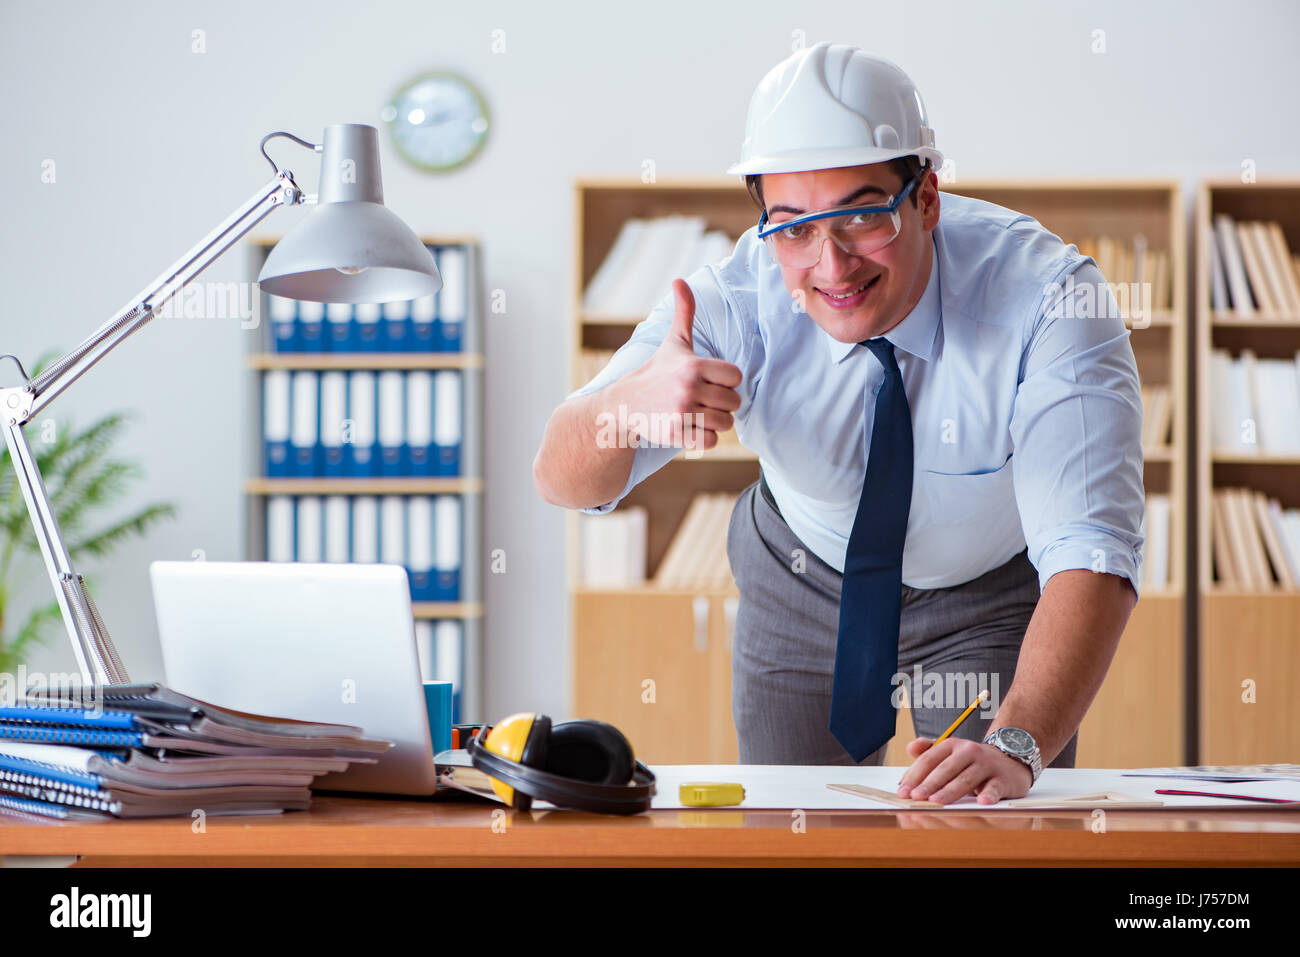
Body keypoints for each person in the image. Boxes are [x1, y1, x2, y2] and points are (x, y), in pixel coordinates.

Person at [533, 42, 1144, 805]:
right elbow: (557, 477)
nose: (831, 264)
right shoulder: (732, 298)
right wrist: (624, 410)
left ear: (924, 199)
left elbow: (1093, 550)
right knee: (793, 829)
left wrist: (1019, 744)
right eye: (792, 227)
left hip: (985, 595)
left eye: (860, 216)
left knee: (979, 821)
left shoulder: (1048, 299)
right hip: (801, 579)